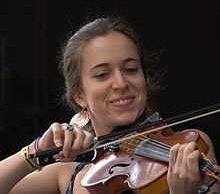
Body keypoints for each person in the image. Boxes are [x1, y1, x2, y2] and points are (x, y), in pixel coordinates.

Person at [0, 15, 219, 194]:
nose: (121, 83)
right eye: (102, 74)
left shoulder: (190, 146)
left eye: (131, 69)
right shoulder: (65, 175)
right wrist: (34, 151)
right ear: (79, 95)